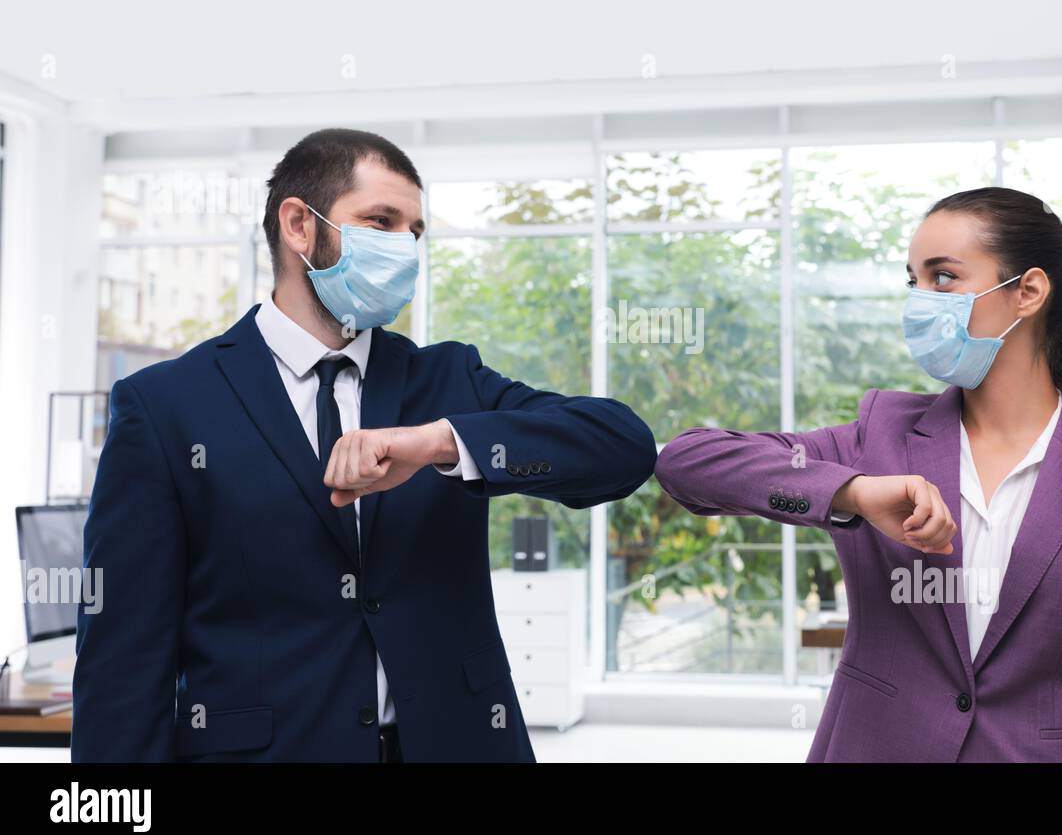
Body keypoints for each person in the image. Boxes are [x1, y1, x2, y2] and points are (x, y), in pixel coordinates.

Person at [73, 128, 657, 762]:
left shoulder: (449, 381)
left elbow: (622, 446)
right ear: (298, 224)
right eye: (381, 221)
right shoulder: (165, 408)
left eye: (415, 231)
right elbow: (122, 663)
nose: (404, 247)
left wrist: (440, 441)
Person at [654, 187, 1062, 762]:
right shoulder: (878, 437)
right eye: (913, 281)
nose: (919, 301)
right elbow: (688, 460)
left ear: (1027, 291)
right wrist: (853, 491)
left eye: (943, 278)